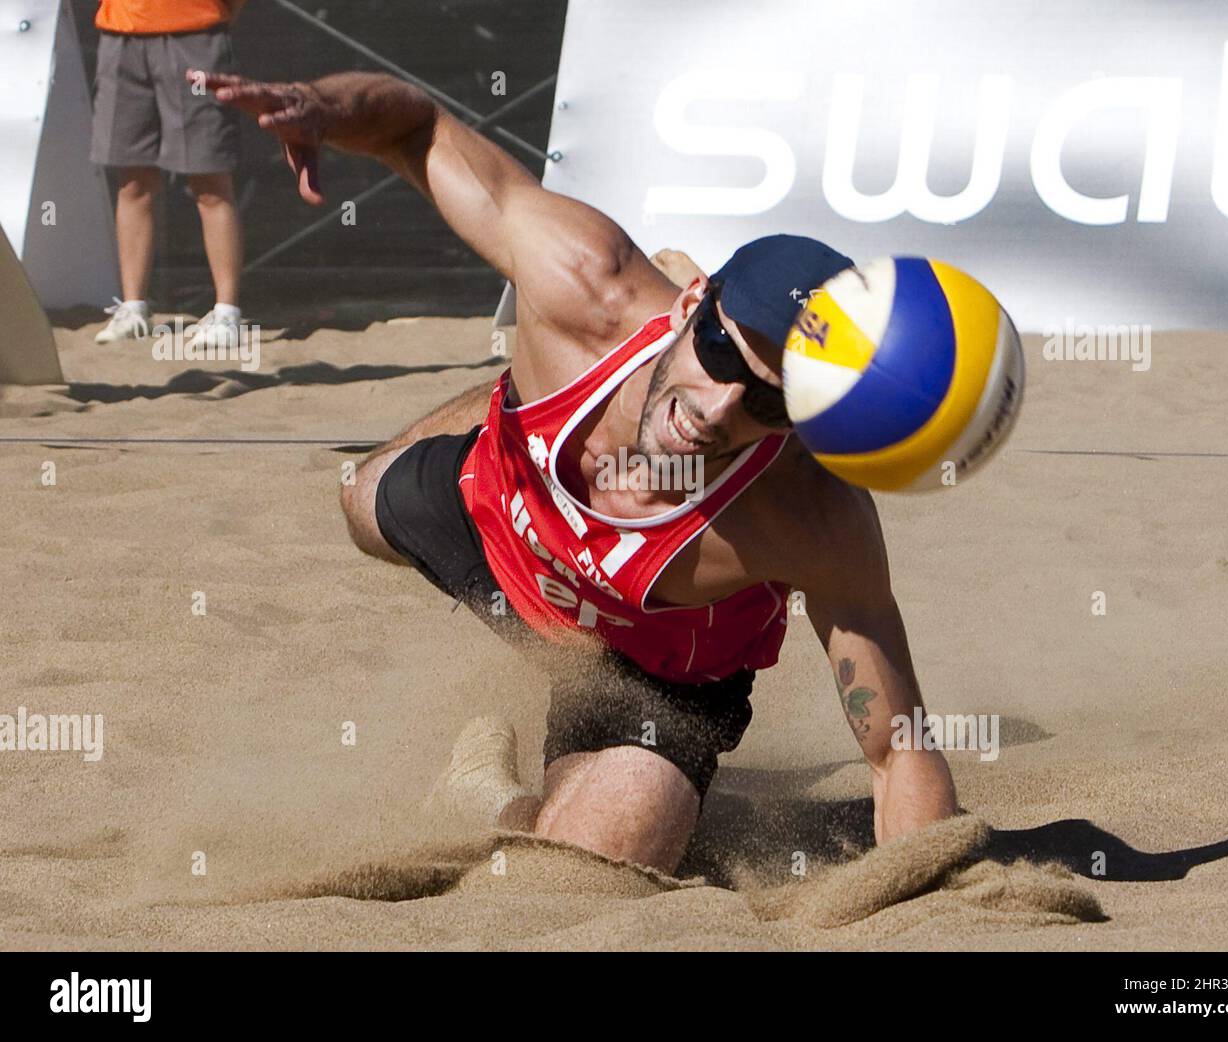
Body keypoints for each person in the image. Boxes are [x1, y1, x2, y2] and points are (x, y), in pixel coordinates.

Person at [206, 68, 959, 874]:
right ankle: (507, 405)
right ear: (691, 302)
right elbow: (416, 129)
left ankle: (489, 786)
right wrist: (323, 108)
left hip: (651, 673)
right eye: (716, 352)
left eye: (770, 405)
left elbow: (896, 751)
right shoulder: (582, 277)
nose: (717, 409)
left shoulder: (812, 516)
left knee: (585, 868)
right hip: (507, 519)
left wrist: (930, 892)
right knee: (358, 498)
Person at [90, 0, 247, 346]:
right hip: (121, 36)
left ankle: (227, 313)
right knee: (132, 181)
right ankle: (133, 308)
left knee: (210, 181)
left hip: (196, 34)